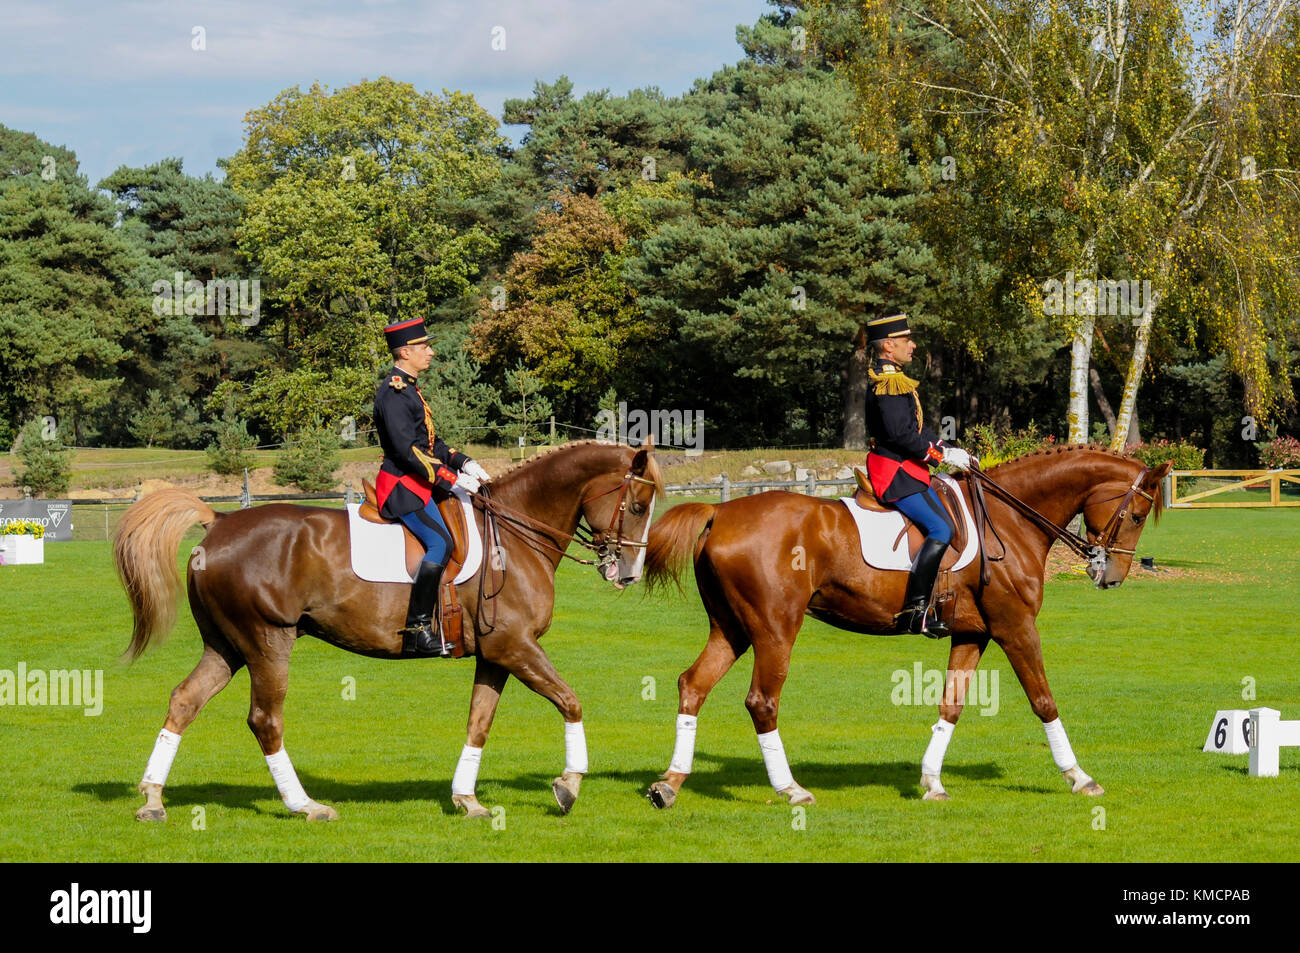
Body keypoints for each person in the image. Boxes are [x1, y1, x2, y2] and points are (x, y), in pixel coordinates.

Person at [373, 318, 492, 657]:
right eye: (424, 347)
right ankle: (417, 629)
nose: (431, 352)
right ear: (405, 351)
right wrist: (454, 481)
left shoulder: (409, 388)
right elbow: (408, 453)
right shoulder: (394, 392)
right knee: (440, 543)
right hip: (402, 487)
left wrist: (464, 462)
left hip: (419, 482)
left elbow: (430, 444)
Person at [863, 313, 973, 638]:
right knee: (941, 527)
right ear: (888, 345)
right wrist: (940, 455)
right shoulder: (889, 382)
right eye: (906, 341)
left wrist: (947, 447)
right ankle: (916, 610)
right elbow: (901, 436)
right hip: (895, 472)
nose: (912, 346)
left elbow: (915, 431)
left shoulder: (895, 379)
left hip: (908, 469)